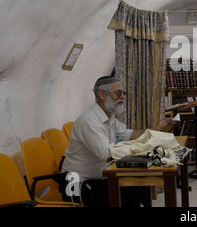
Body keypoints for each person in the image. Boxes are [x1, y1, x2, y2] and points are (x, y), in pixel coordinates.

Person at [62, 75, 170, 206]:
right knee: (130, 192)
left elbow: (129, 134)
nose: (123, 97)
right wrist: (140, 148)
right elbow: (105, 153)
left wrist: (153, 131)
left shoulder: (110, 117)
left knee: (138, 184)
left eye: (123, 93)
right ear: (102, 95)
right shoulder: (89, 121)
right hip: (79, 184)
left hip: (101, 178)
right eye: (118, 93)